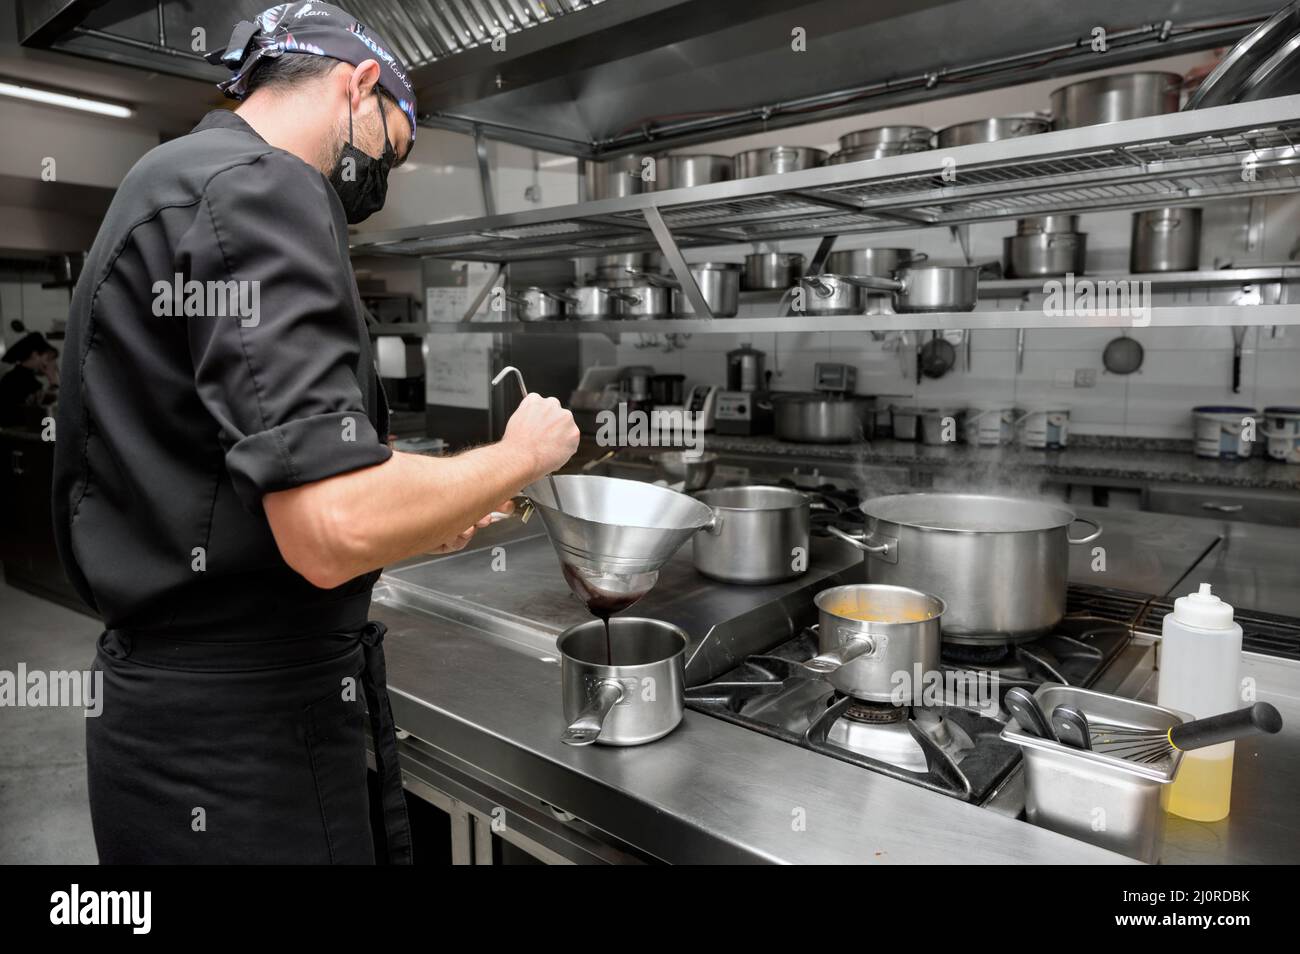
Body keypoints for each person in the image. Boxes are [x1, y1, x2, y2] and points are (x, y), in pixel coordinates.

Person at [52, 2, 579, 864]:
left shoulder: (169, 179)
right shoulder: (266, 185)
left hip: (161, 722)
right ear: (360, 84)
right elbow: (331, 530)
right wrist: (522, 456)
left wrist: (414, 497)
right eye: (391, 150)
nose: (379, 179)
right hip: (246, 744)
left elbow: (239, 461)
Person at [0, 331, 58, 427]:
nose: (48, 364)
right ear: (35, 355)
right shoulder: (27, 382)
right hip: (18, 438)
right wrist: (53, 380)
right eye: (47, 358)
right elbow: (45, 415)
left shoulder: (11, 376)